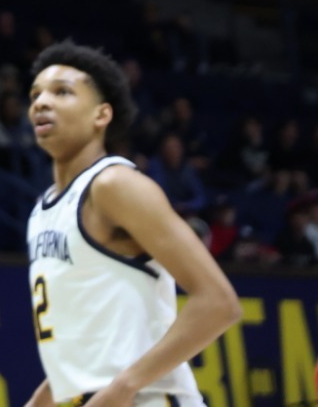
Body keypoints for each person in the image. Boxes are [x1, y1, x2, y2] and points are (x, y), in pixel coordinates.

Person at [23, 42, 241, 407]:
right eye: (35, 94)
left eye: (62, 92)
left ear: (101, 115)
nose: (41, 102)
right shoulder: (42, 209)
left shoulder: (114, 185)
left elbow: (219, 302)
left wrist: (124, 387)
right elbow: (87, 344)